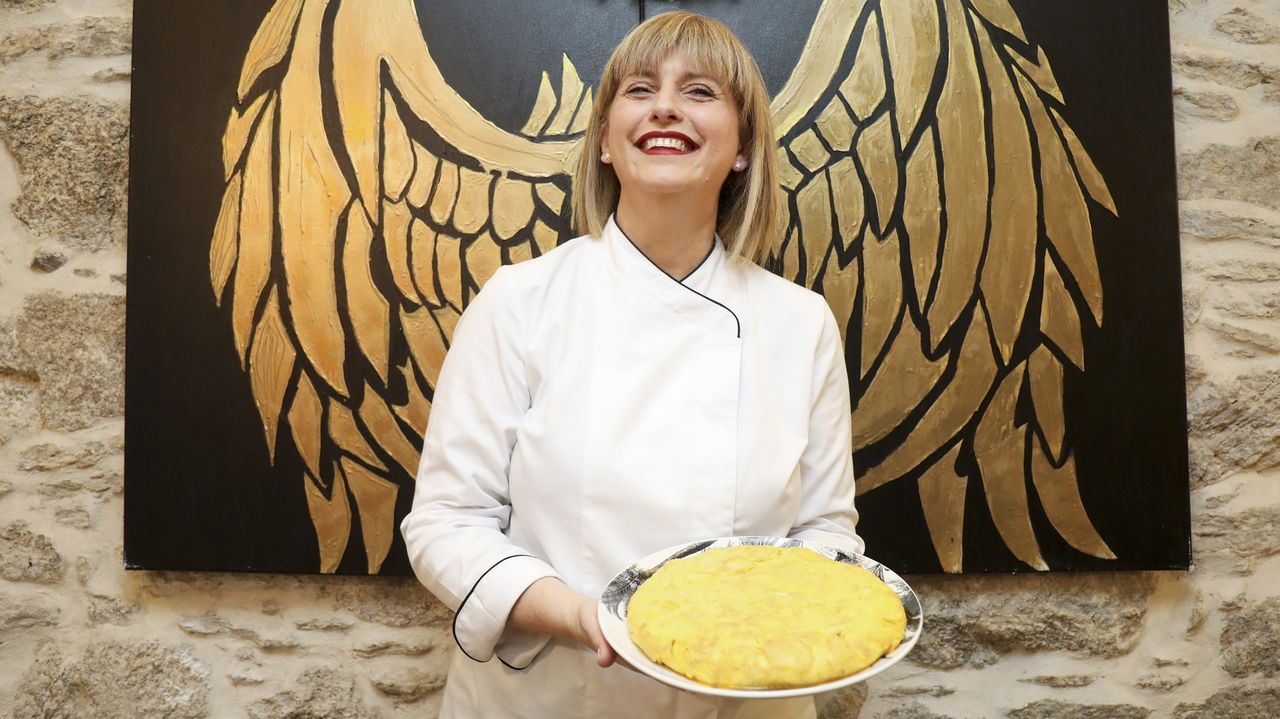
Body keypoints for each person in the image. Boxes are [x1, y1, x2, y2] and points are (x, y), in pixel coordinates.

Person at [400, 11, 863, 718]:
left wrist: (776, 631)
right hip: (554, 697)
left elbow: (825, 535)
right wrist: (583, 614)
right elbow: (445, 523)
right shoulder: (520, 302)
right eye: (640, 89)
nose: (666, 106)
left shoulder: (801, 325)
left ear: (742, 148)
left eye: (700, 91)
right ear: (608, 143)